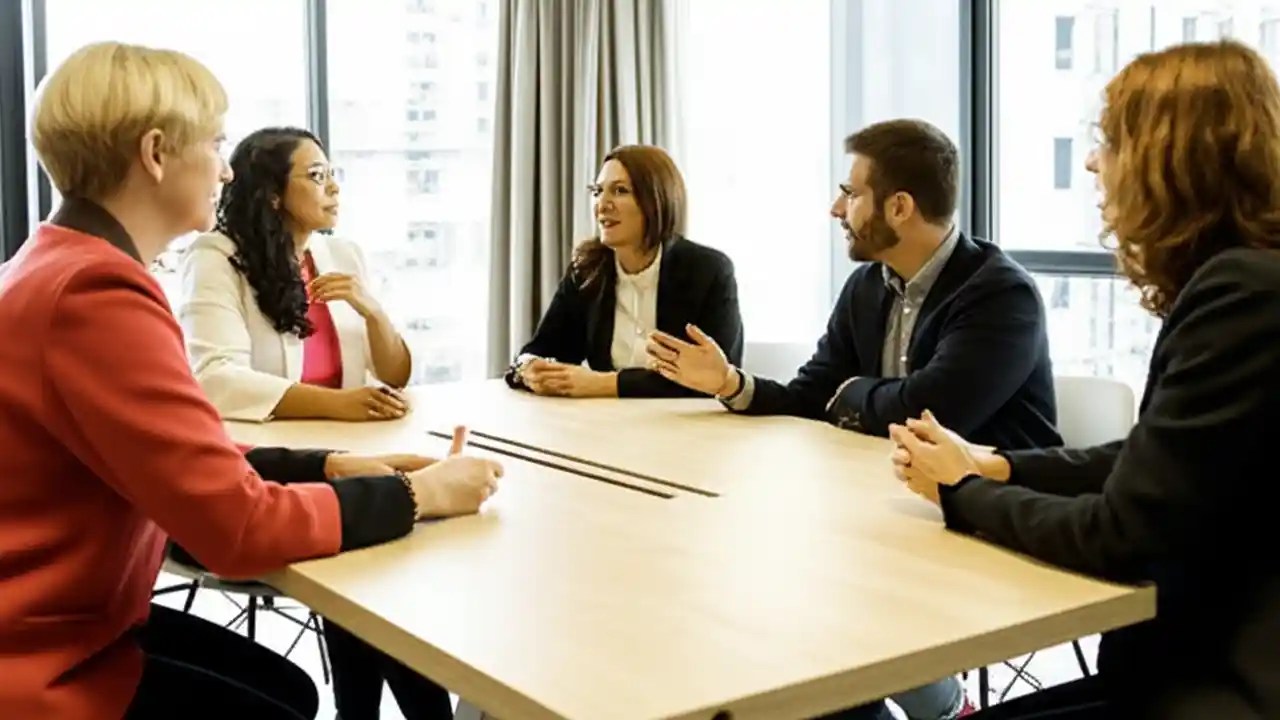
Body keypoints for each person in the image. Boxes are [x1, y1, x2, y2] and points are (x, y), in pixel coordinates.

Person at [0, 41, 502, 720]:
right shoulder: (98, 292)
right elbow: (234, 528)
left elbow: (174, 460)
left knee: (292, 691)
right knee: (286, 708)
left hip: (50, 619)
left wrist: (329, 464)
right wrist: (418, 494)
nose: (226, 173)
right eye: (215, 144)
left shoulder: (50, 263)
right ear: (155, 154)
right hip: (45, 657)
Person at [890, 40, 1280, 719]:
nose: (1095, 163)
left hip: (1216, 686)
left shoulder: (1241, 292)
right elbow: (1159, 463)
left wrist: (963, 493)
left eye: (1108, 141)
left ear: (1173, 156)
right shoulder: (1252, 280)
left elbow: (1122, 534)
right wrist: (1002, 466)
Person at [647, 119, 1059, 453]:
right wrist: (730, 382)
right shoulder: (866, 285)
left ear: (899, 207)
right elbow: (811, 395)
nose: (836, 209)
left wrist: (851, 393)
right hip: (889, 488)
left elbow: (932, 416)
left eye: (851, 194)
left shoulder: (1001, 294)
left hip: (999, 516)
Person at [178, 126, 413, 423]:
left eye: (332, 174)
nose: (333, 188)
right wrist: (337, 404)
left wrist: (374, 313)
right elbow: (216, 379)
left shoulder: (344, 255)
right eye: (316, 176)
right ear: (273, 194)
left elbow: (395, 378)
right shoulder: (215, 257)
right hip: (266, 454)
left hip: (351, 444)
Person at [504, 144, 744, 398]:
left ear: (656, 199)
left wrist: (602, 384)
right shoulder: (587, 270)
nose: (602, 205)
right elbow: (541, 349)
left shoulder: (708, 271)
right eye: (597, 192)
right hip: (609, 423)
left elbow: (716, 379)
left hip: (688, 429)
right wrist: (527, 368)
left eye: (620, 191)